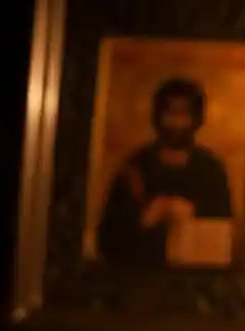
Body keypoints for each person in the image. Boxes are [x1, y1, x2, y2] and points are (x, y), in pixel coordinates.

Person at [97, 77, 233, 266]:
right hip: (140, 275)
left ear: (197, 119)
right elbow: (107, 242)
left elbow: (224, 237)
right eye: (170, 113)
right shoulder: (134, 167)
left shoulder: (211, 169)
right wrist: (145, 217)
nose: (176, 123)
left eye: (184, 114)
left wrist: (193, 217)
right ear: (157, 116)